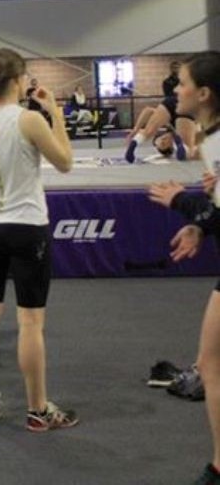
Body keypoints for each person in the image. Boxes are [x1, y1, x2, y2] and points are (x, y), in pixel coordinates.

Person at [0, 48, 77, 431]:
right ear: (17, 79)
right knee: (30, 321)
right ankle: (37, 409)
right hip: (26, 225)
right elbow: (64, 161)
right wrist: (56, 114)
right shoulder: (28, 120)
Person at [146, 51, 220, 485]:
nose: (175, 90)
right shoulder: (211, 141)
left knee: (211, 364)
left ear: (205, 93)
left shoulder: (216, 142)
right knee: (209, 364)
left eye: (183, 83)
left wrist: (183, 202)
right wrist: (200, 226)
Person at [125, 93, 198, 163]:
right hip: (185, 110)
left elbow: (148, 110)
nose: (163, 140)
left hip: (172, 104)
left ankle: (134, 143)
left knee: (149, 131)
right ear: (171, 147)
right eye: (164, 144)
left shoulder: (165, 124)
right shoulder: (184, 131)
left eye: (160, 141)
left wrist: (135, 130)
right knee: (189, 151)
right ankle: (183, 149)